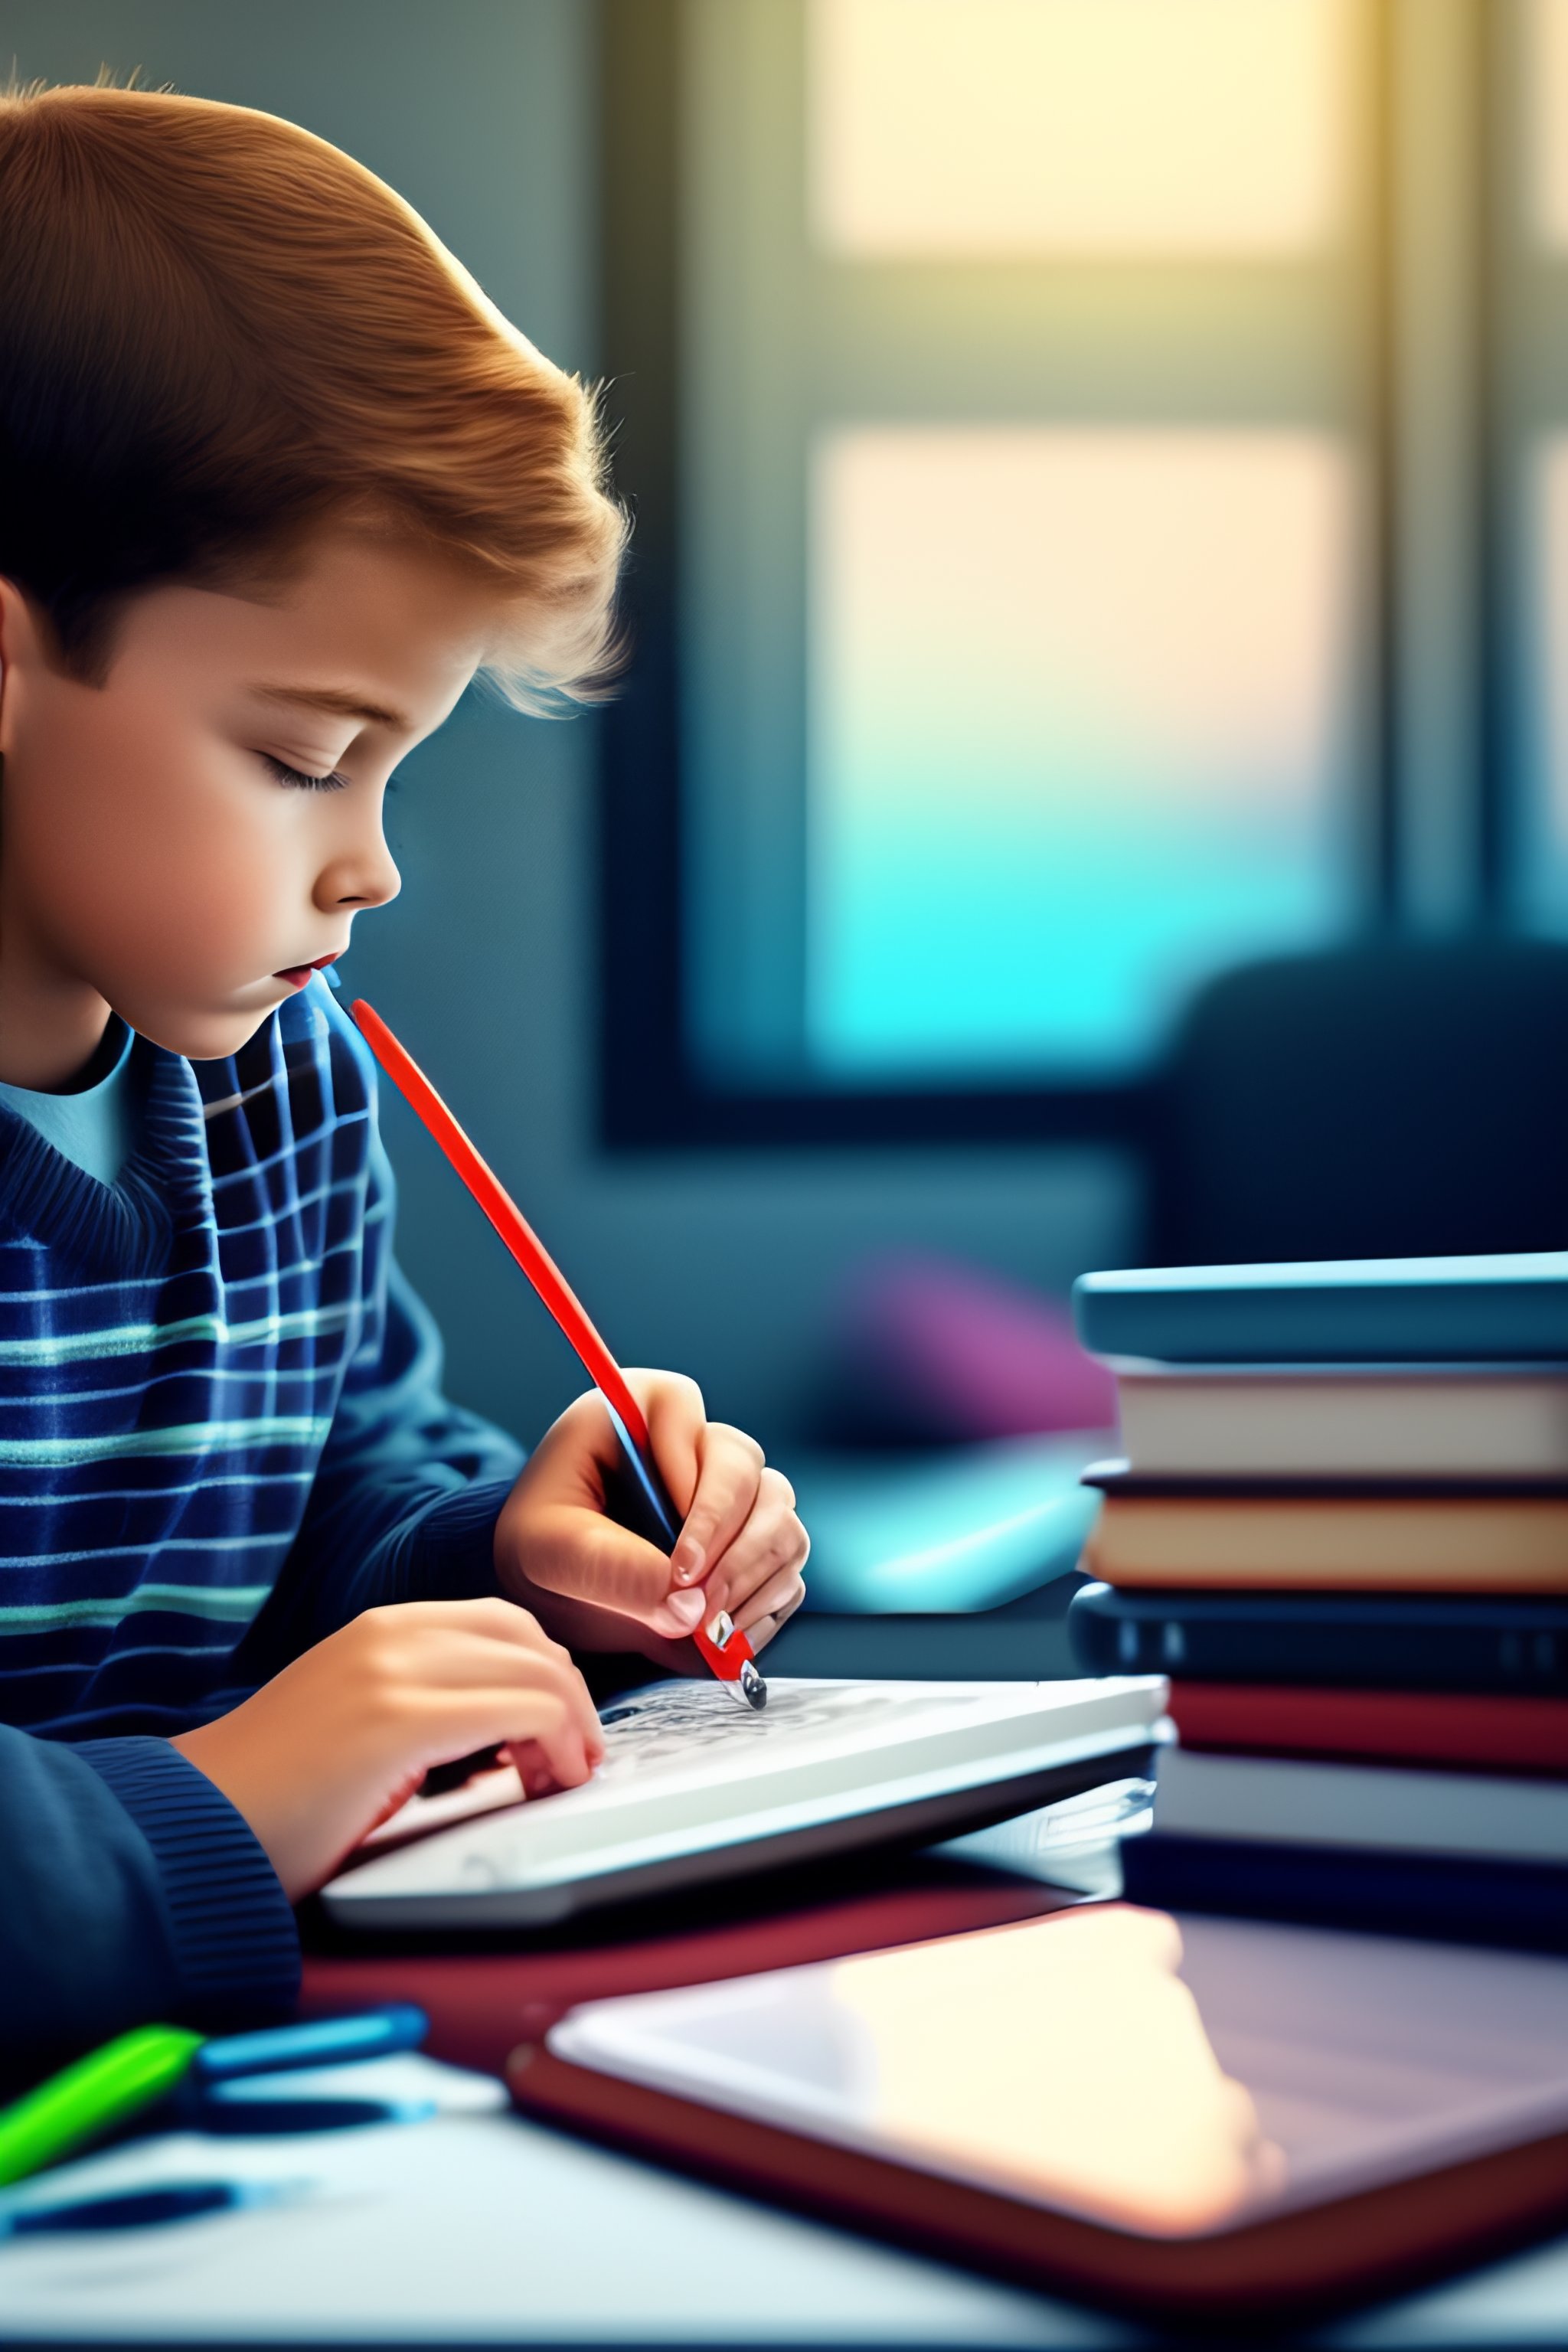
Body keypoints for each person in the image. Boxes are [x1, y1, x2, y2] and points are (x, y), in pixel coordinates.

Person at [0, 79, 808, 2068]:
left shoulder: (287, 1076)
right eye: (298, 757)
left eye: (397, 764)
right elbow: (236, 1761)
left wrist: (503, 1552)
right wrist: (213, 1809)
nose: (369, 865)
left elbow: (320, 1495)